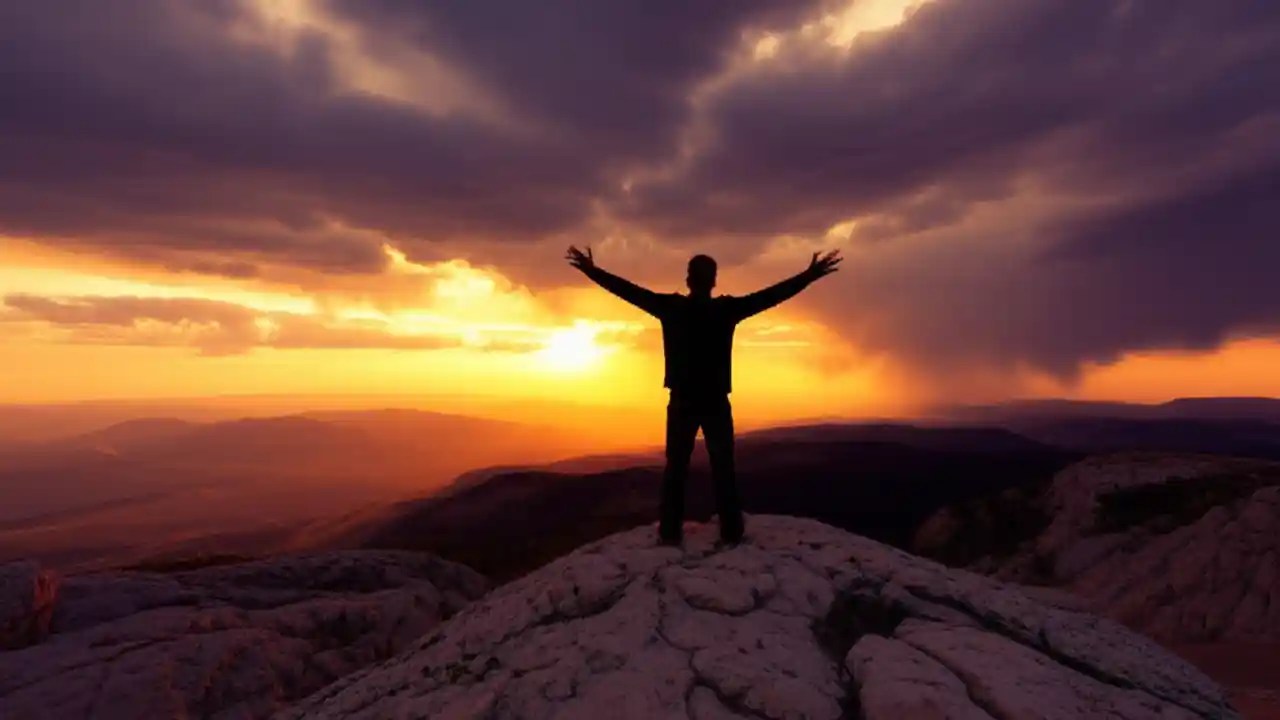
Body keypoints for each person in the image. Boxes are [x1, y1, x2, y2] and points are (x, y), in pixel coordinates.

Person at [566, 245, 841, 545]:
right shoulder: (725, 310)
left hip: (682, 400)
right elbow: (771, 296)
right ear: (713, 281)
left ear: (688, 280)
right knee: (724, 468)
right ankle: (731, 531)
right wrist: (808, 276)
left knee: (676, 469)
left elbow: (628, 291)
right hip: (715, 401)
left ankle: (670, 534)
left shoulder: (672, 308)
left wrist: (592, 271)